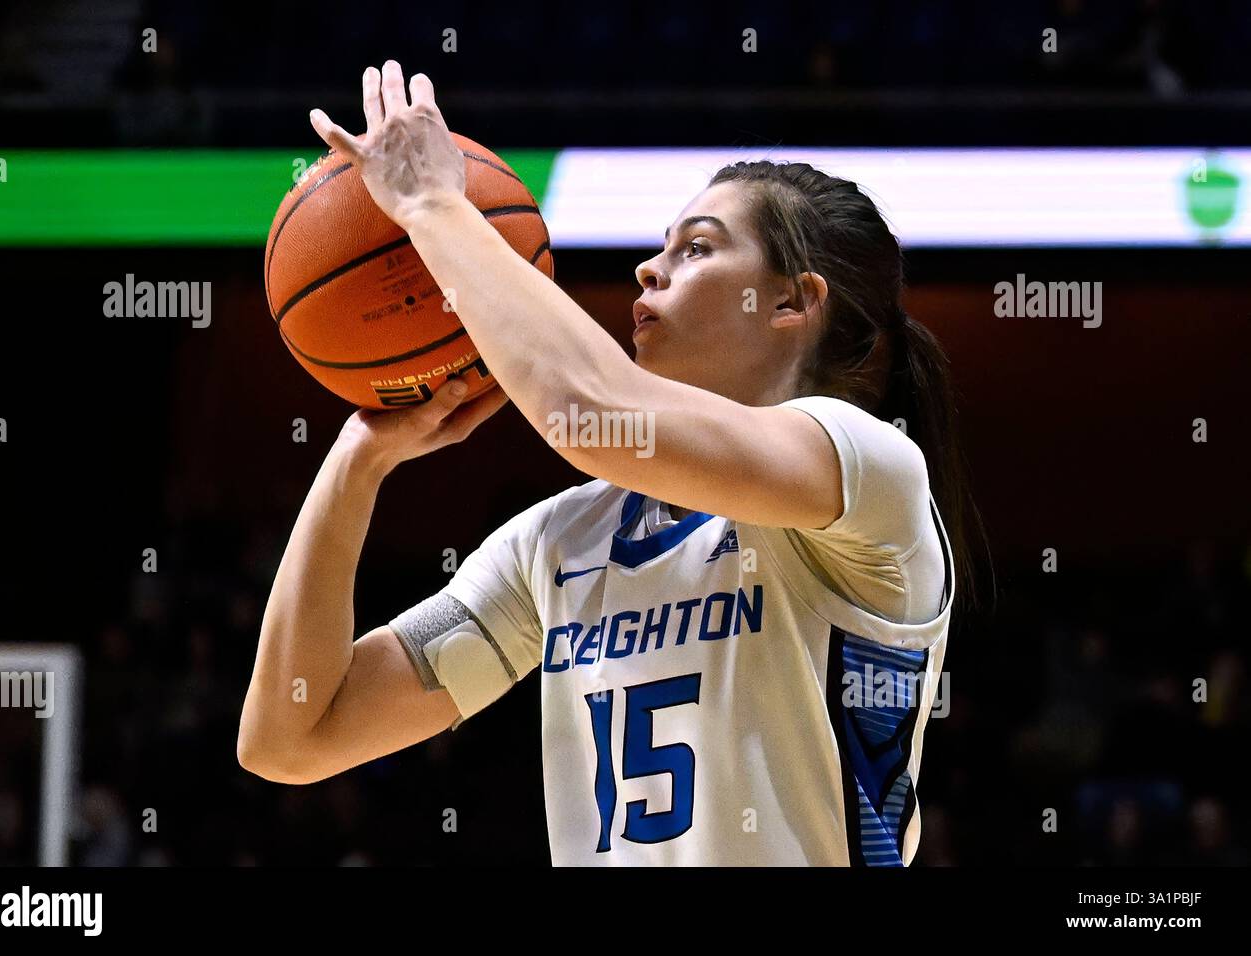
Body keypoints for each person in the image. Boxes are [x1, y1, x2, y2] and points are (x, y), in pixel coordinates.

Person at [239, 61, 982, 866]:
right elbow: (292, 737)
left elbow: (591, 415)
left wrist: (434, 206)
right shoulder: (556, 545)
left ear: (793, 303)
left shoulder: (868, 469)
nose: (648, 268)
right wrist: (355, 464)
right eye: (662, 246)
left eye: (697, 249)